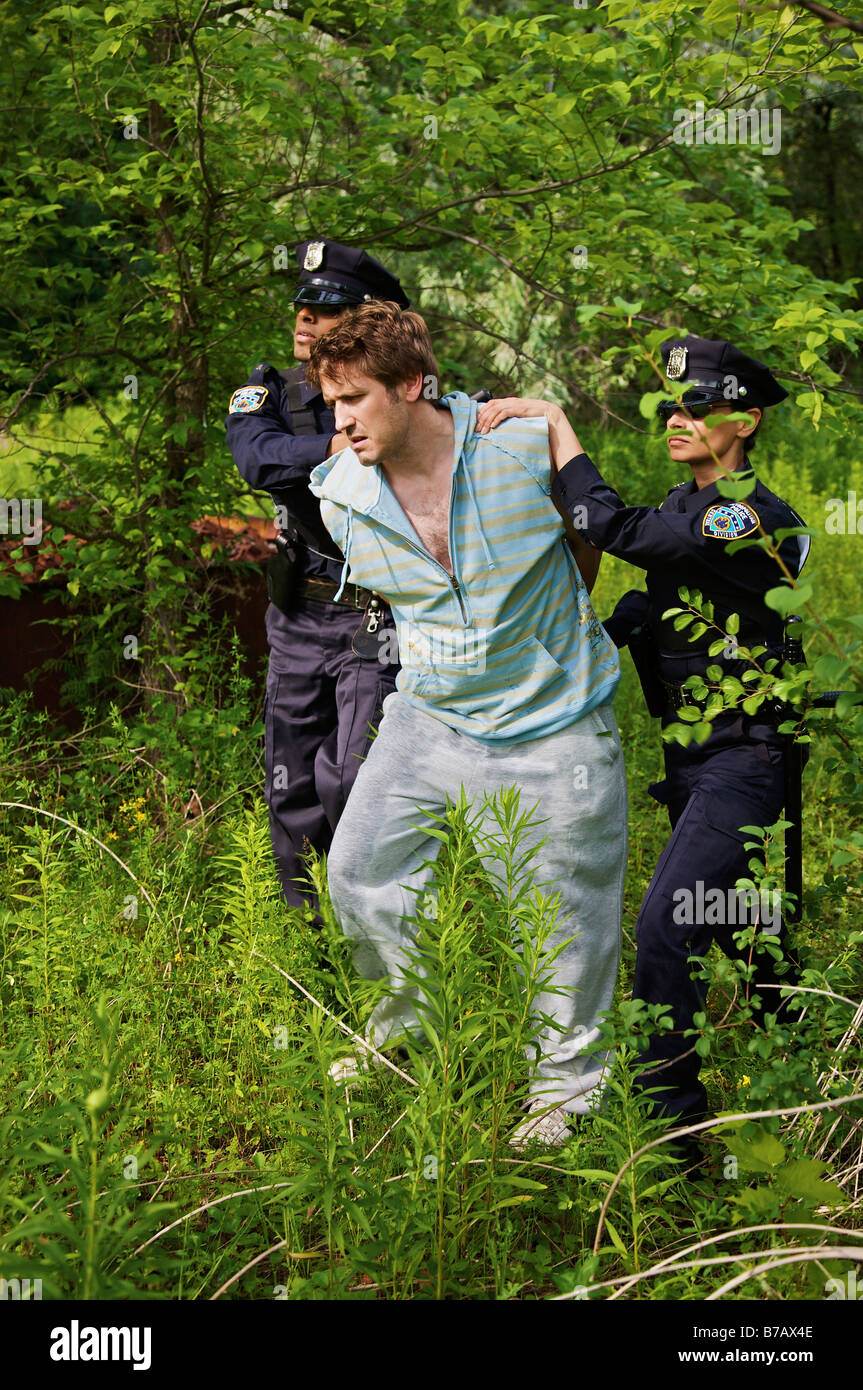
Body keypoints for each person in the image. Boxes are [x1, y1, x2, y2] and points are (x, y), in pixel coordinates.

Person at [304, 301, 626, 1148]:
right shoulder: (338, 494)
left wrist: (551, 636)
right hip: (430, 716)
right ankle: (406, 1024)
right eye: (331, 403)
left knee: (557, 914)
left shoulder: (516, 447)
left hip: (555, 723)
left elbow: (583, 536)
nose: (340, 421)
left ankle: (566, 1087)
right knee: (358, 870)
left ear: (412, 385)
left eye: (356, 399)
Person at [478, 336, 807, 1149]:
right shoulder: (680, 506)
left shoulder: (748, 518)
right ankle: (801, 1078)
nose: (677, 417)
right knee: (748, 926)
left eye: (698, 406)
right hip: (696, 761)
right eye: (671, 405)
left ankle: (670, 1130)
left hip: (746, 756)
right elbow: (642, 611)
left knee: (667, 924)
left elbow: (606, 523)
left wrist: (555, 425)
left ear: (746, 420)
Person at [225, 239, 409, 910]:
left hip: (377, 613)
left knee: (355, 778)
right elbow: (258, 459)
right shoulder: (268, 390)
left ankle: (372, 935)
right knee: (291, 786)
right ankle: (308, 951)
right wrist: (342, 443)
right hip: (300, 613)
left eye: (324, 310)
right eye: (300, 305)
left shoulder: (404, 392)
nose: (303, 318)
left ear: (369, 321)